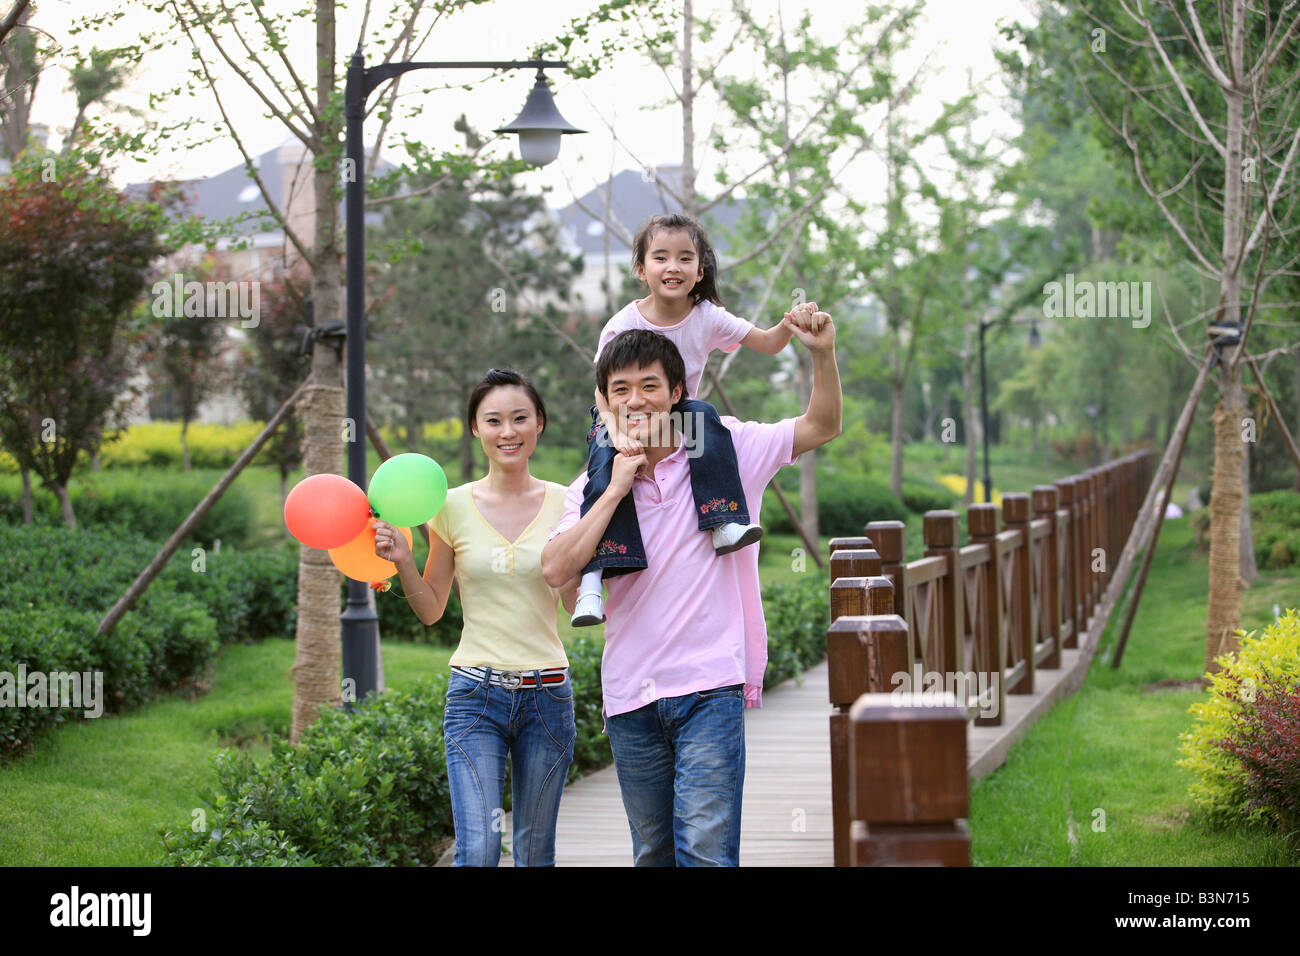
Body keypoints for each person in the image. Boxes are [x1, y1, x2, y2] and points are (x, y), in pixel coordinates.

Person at [541, 311, 841, 867]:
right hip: (631, 693)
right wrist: (613, 493)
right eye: (620, 390)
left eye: (650, 386)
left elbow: (820, 425)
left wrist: (821, 353)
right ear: (604, 403)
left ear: (677, 390)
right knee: (653, 853)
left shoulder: (725, 451)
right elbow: (558, 572)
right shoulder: (591, 485)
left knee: (705, 851)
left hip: (711, 683)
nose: (636, 401)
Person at [570, 212, 821, 627]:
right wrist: (615, 431)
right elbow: (601, 388)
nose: (673, 267)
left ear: (700, 269)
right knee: (603, 474)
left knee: (705, 416)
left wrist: (792, 323)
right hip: (616, 415)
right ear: (641, 269)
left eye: (685, 258)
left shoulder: (707, 316)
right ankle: (591, 584)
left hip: (679, 412)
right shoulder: (623, 323)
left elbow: (768, 343)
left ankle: (723, 522)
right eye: (661, 257)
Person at [375, 368, 579, 867]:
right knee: (480, 849)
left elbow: (578, 605)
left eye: (519, 419)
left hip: (547, 698)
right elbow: (431, 609)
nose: (507, 432)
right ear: (476, 429)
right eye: (493, 421)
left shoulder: (569, 502)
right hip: (475, 697)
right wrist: (403, 560)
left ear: (539, 424)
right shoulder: (449, 507)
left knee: (534, 853)